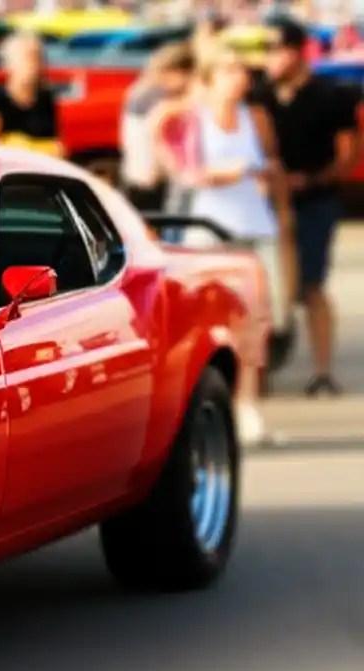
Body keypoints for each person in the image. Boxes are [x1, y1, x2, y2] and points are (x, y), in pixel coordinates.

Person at [155, 44, 290, 445]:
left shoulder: (257, 117)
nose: (239, 78)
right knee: (207, 322)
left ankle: (247, 404)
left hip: (254, 227)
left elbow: (272, 164)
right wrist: (202, 172)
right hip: (208, 229)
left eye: (240, 71)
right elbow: (168, 147)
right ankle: (201, 405)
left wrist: (279, 206)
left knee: (256, 320)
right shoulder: (191, 117)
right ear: (209, 80)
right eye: (228, 71)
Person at [250, 18, 361, 396]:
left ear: (298, 52)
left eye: (277, 50)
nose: (270, 59)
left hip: (316, 200)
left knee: (312, 284)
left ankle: (322, 370)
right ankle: (258, 371)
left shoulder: (330, 95)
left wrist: (311, 180)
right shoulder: (259, 96)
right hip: (264, 204)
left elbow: (348, 155)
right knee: (264, 287)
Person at [120, 42, 195, 210]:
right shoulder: (155, 94)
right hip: (148, 178)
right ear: (175, 72)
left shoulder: (141, 89)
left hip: (138, 175)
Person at [0, 31, 62, 157]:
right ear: (11, 63)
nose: (35, 65)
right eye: (29, 58)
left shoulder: (45, 99)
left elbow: (55, 144)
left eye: (39, 58)